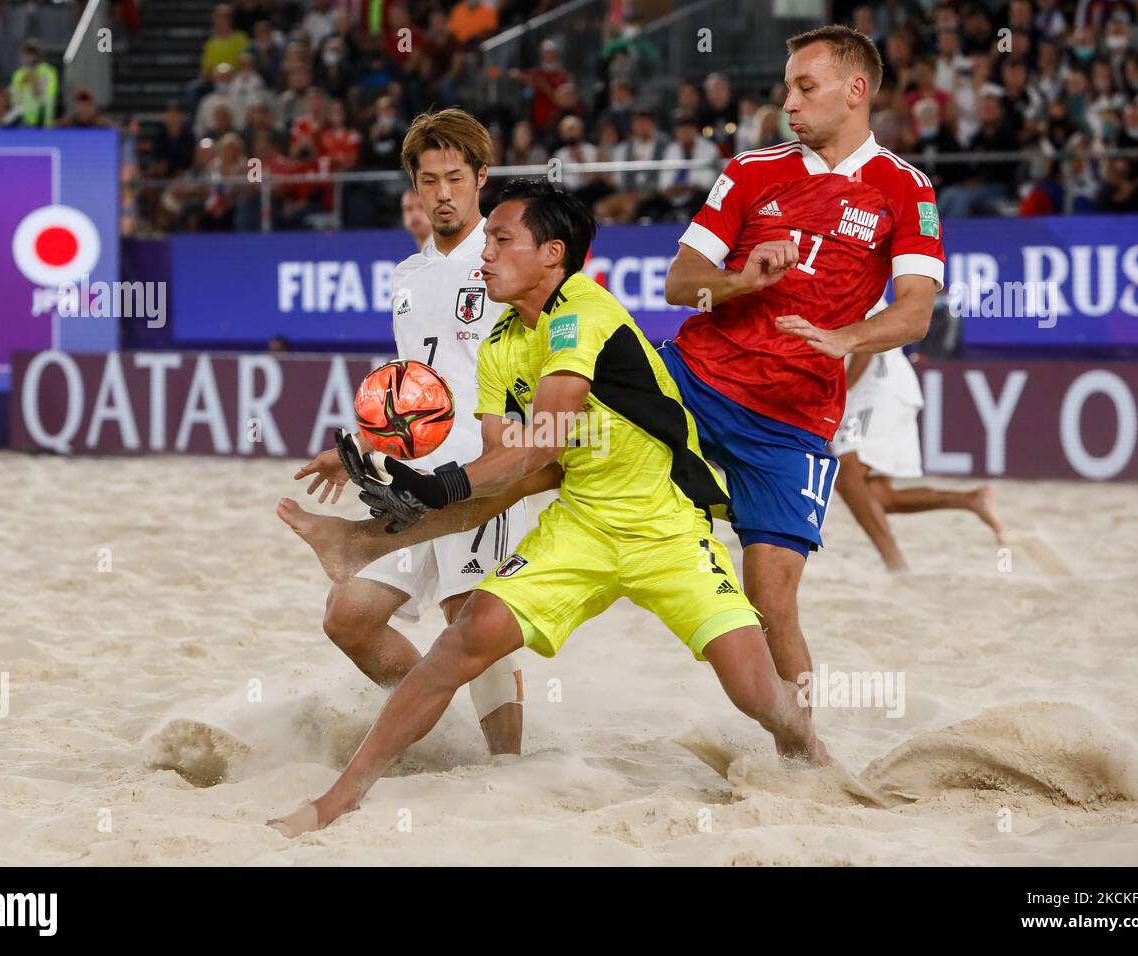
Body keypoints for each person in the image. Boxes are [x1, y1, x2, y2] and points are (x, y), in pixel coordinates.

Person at [270, 180, 827, 835]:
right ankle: (339, 799)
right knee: (465, 638)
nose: (485, 257)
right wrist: (396, 516)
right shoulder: (500, 345)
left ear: (553, 254)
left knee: (756, 693)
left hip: (665, 524)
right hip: (581, 521)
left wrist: (432, 486)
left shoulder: (583, 311)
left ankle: (810, 754)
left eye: (503, 242)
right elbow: (508, 481)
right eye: (487, 244)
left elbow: (537, 449)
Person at [660, 25, 944, 732]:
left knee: (772, 601)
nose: (787, 101)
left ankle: (803, 752)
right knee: (566, 436)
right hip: (695, 380)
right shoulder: (753, 169)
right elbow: (677, 284)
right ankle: (425, 514)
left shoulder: (907, 190)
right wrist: (736, 281)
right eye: (787, 86)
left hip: (792, 420)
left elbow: (915, 313)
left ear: (855, 92)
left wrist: (847, 336)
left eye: (803, 87)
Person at [284, 109, 526, 761]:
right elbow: (415, 385)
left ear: (482, 177)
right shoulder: (407, 278)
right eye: (428, 180)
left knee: (472, 617)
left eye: (454, 177)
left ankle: (508, 770)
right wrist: (357, 445)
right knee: (349, 618)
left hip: (482, 470)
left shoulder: (510, 260)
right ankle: (436, 724)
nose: (441, 193)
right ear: (413, 187)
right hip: (407, 474)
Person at [832, 298, 1004, 572]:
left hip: (875, 391)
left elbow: (864, 346)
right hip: (887, 388)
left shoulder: (849, 279)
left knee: (847, 478)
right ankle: (972, 500)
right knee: (879, 497)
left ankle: (896, 565)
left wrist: (840, 394)